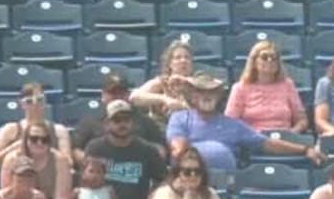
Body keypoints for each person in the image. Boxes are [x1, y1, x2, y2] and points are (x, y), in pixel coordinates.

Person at [166, 73, 306, 171]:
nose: (207, 95)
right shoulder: (179, 118)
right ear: (193, 96)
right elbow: (178, 150)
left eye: (212, 92)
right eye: (201, 91)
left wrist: (304, 149)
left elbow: (268, 144)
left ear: (218, 96)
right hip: (189, 178)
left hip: (226, 184)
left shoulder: (233, 125)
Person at [85, 100, 167, 199]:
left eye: (126, 120)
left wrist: (154, 195)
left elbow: (163, 179)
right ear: (107, 123)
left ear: (132, 122)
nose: (122, 124)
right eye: (117, 120)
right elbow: (85, 182)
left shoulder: (148, 150)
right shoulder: (95, 148)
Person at [71, 71, 166, 159]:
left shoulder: (144, 120)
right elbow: (75, 149)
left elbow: (160, 148)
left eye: (122, 93)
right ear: (103, 95)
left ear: (128, 95)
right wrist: (91, 163)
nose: (117, 97)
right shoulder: (90, 121)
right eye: (113, 93)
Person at [226, 40, 310, 134]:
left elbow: (302, 120)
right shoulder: (240, 88)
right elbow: (230, 123)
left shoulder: (287, 85)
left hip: (283, 137)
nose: (270, 61)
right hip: (253, 138)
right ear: (254, 62)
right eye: (264, 57)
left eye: (274, 57)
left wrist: (291, 133)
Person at [130, 39, 196, 124]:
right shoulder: (162, 82)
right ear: (170, 63)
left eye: (187, 57)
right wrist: (164, 99)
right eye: (178, 58)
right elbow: (134, 97)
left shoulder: (197, 82)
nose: (183, 61)